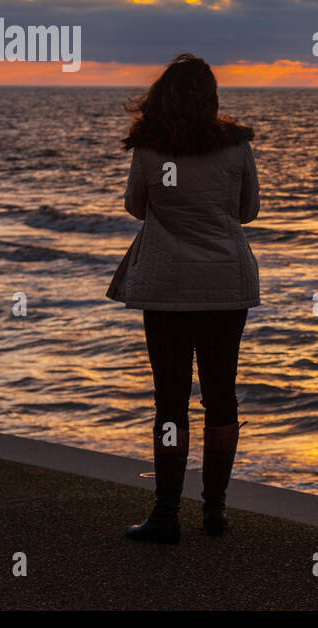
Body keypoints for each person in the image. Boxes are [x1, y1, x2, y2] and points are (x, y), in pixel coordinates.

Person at [107, 53, 260, 543]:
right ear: (211, 99)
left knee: (170, 401)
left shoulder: (151, 149)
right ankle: (214, 510)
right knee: (221, 398)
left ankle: (166, 512)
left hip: (168, 286)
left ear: (162, 99)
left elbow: (135, 207)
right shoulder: (236, 148)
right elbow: (249, 210)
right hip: (224, 283)